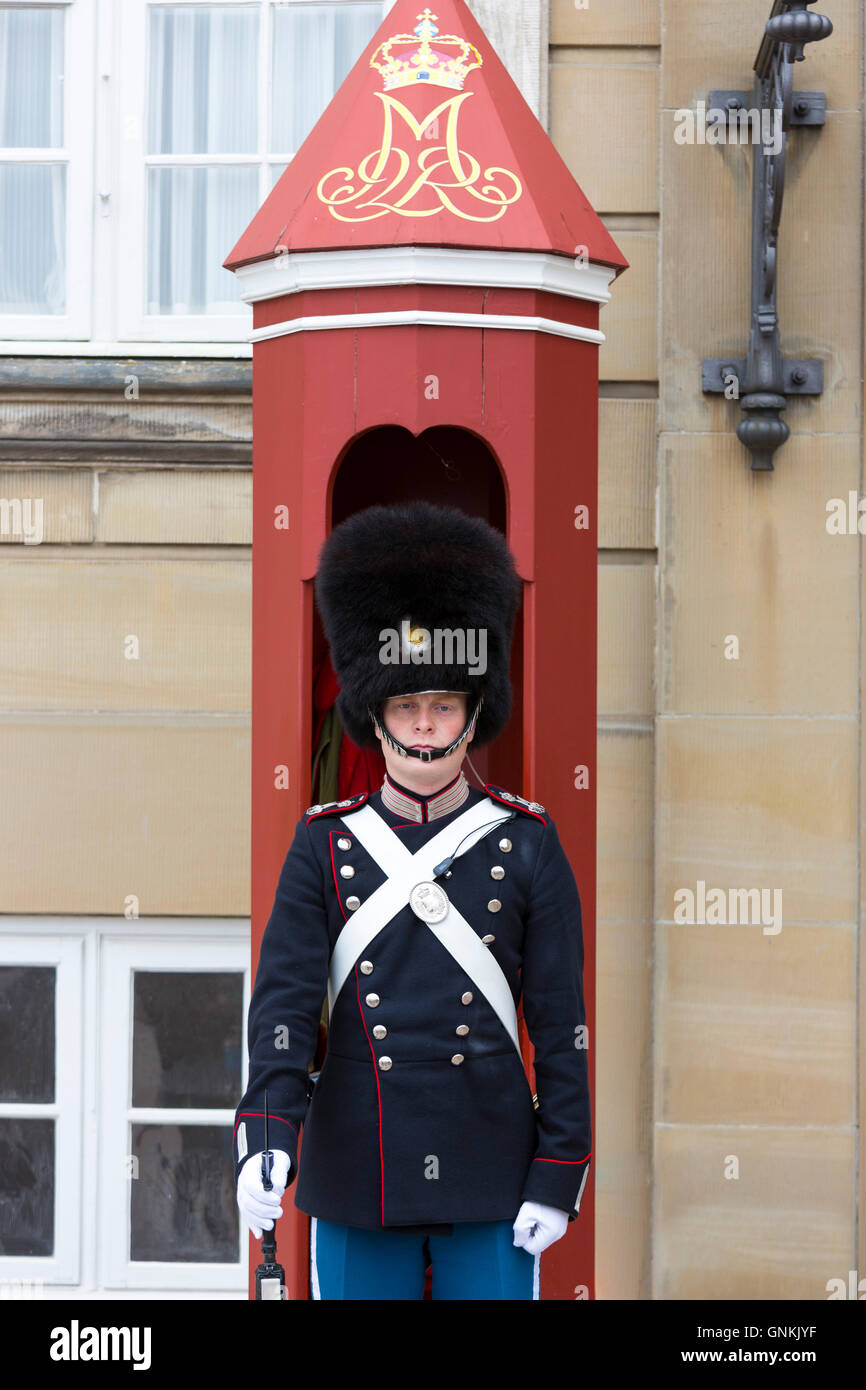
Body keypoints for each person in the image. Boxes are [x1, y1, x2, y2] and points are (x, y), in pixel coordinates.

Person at [233, 501, 591, 1300]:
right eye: (405, 705)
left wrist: (561, 1167)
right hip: (360, 1169)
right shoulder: (323, 844)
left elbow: (562, 1027)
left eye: (442, 706)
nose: (424, 727)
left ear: (472, 715)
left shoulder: (527, 841)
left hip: (493, 1171)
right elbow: (285, 1010)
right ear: (376, 714)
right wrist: (265, 1133)